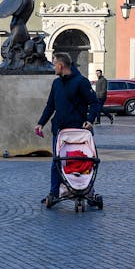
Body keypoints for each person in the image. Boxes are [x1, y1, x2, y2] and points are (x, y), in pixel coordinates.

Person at [34, 52, 101, 208]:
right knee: (56, 162)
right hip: (60, 129)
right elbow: (50, 106)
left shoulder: (81, 82)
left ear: (61, 65)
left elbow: (95, 103)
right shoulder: (56, 84)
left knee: (82, 161)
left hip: (78, 129)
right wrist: (40, 123)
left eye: (54, 63)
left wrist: (90, 121)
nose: (53, 66)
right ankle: (53, 193)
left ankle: (87, 191)